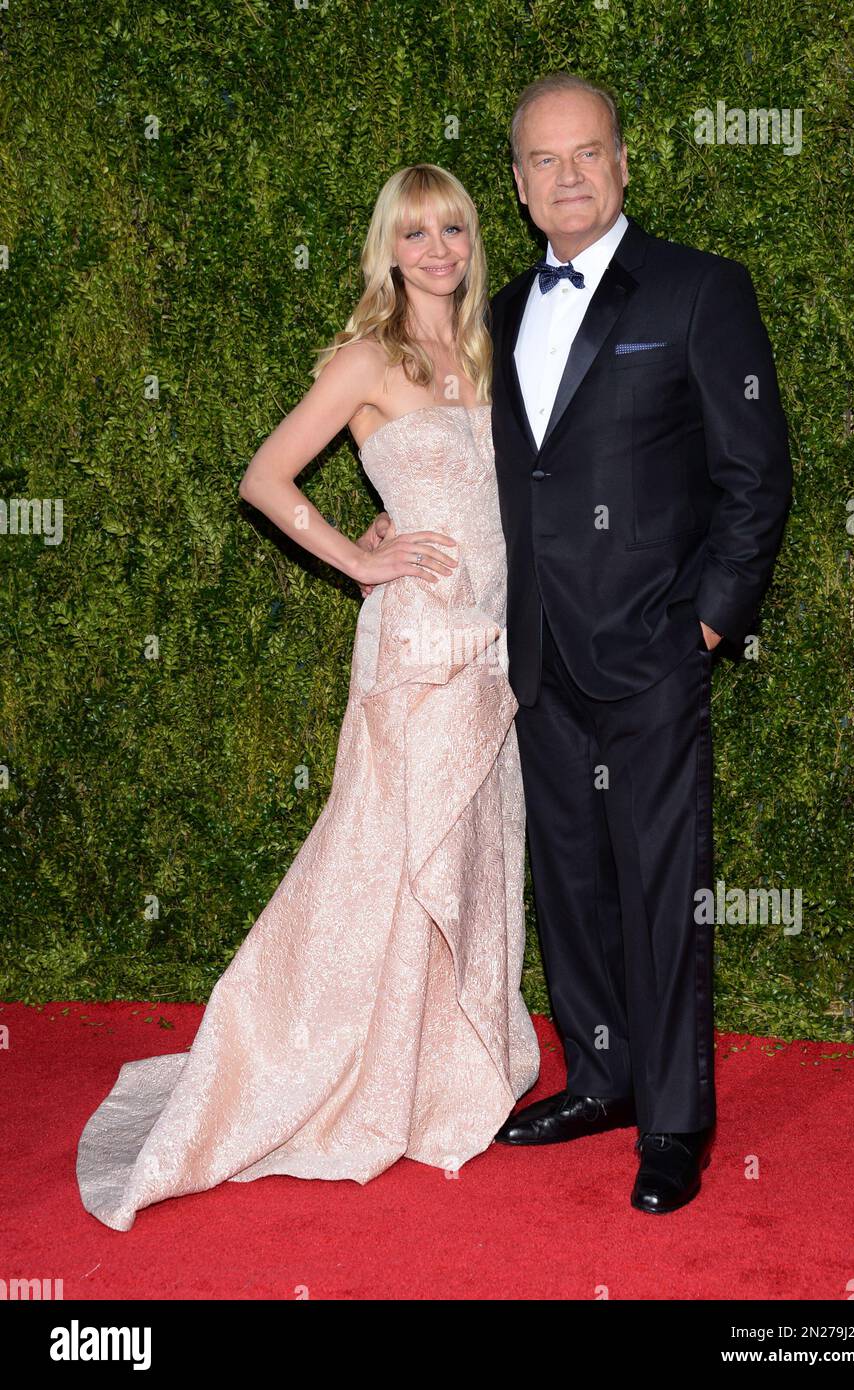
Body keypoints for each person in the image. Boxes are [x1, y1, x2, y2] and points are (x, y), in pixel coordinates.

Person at [76, 164, 540, 1231]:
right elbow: (264, 477)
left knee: (465, 854)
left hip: (492, 648)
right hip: (418, 648)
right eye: (415, 231)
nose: (437, 248)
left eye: (454, 227)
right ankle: (316, 1069)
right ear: (388, 247)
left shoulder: (486, 352)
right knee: (383, 855)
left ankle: (436, 1071)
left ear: (476, 237)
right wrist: (361, 559)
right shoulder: (365, 357)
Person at [485, 73, 793, 1212]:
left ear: (624, 164)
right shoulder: (502, 311)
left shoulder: (702, 291)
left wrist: (708, 619)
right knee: (569, 882)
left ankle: (673, 1121)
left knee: (664, 890)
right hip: (537, 656)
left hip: (655, 648)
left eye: (587, 154)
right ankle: (601, 1076)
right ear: (517, 186)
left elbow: (757, 475)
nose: (566, 176)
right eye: (543, 161)